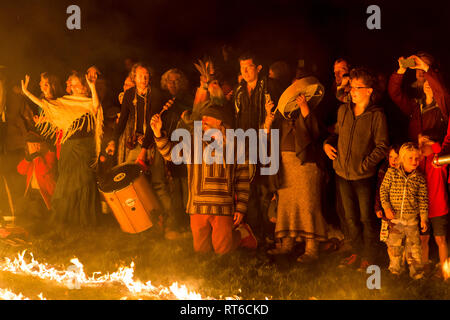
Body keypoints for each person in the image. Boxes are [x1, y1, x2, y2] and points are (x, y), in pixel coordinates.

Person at [151, 104, 257, 254]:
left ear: (220, 121)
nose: (204, 120)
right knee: (201, 251)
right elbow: (170, 154)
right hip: (198, 205)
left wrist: (241, 207)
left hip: (222, 206)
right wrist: (158, 133)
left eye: (208, 116)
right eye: (203, 117)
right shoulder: (193, 141)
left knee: (223, 251)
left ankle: (241, 234)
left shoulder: (236, 147)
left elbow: (243, 179)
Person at [323, 67, 389, 270]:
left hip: (363, 177)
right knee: (350, 218)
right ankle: (357, 253)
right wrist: (327, 143)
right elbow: (337, 134)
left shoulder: (376, 116)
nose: (352, 91)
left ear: (369, 90)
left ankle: (369, 256)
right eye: (351, 87)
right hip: (342, 173)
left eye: (357, 87)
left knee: (366, 218)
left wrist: (364, 165)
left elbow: (382, 146)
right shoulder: (344, 111)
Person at [21, 71, 103, 230]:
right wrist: (27, 92)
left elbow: (95, 106)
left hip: (84, 147)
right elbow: (44, 104)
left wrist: (93, 87)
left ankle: (86, 221)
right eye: (72, 85)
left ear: (83, 85)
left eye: (76, 84)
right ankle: (67, 220)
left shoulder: (88, 101)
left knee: (85, 181)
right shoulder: (65, 102)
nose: (73, 87)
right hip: (68, 147)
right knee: (67, 182)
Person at [263, 91, 328, 262]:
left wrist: (305, 108)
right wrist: (268, 122)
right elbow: (267, 140)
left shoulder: (312, 109)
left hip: (306, 166)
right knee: (286, 206)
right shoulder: (281, 117)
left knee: (308, 206)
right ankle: (286, 245)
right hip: (284, 166)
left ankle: (311, 249)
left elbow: (315, 133)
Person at [233, 52, 278, 242]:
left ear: (258, 68)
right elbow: (237, 120)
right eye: (242, 67)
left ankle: (270, 233)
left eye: (248, 66)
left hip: (267, 146)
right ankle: (254, 234)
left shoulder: (270, 87)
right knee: (248, 189)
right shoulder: (239, 92)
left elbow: (277, 117)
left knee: (266, 191)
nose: (244, 71)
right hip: (246, 147)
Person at [380, 142, 428, 280]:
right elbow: (383, 191)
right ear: (402, 158)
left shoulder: (419, 179)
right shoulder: (392, 173)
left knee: (414, 248)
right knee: (395, 246)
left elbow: (423, 199)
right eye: (410, 158)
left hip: (412, 220)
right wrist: (386, 207)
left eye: (416, 158)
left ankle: (416, 273)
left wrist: (424, 218)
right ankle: (395, 271)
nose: (414, 161)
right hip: (395, 219)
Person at [388, 54, 450, 142]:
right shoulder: (416, 105)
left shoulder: (444, 106)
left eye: (430, 81)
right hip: (417, 153)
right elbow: (395, 93)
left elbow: (442, 92)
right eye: (418, 68)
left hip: (436, 151)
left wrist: (426, 68)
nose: (428, 83)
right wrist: (401, 70)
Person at [418, 131, 449, 278]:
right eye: (420, 144)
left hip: (439, 207)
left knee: (440, 240)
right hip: (423, 210)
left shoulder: (438, 161)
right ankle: (425, 268)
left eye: (424, 144)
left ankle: (445, 271)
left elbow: (439, 151)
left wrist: (432, 144)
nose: (421, 147)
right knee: (423, 239)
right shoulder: (417, 163)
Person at [17, 131, 56, 234]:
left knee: (38, 213)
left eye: (34, 145)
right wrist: (28, 159)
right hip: (32, 192)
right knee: (29, 212)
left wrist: (37, 157)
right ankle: (33, 232)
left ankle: (40, 233)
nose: (32, 147)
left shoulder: (49, 155)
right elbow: (21, 170)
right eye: (30, 145)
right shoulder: (30, 157)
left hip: (44, 193)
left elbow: (44, 171)